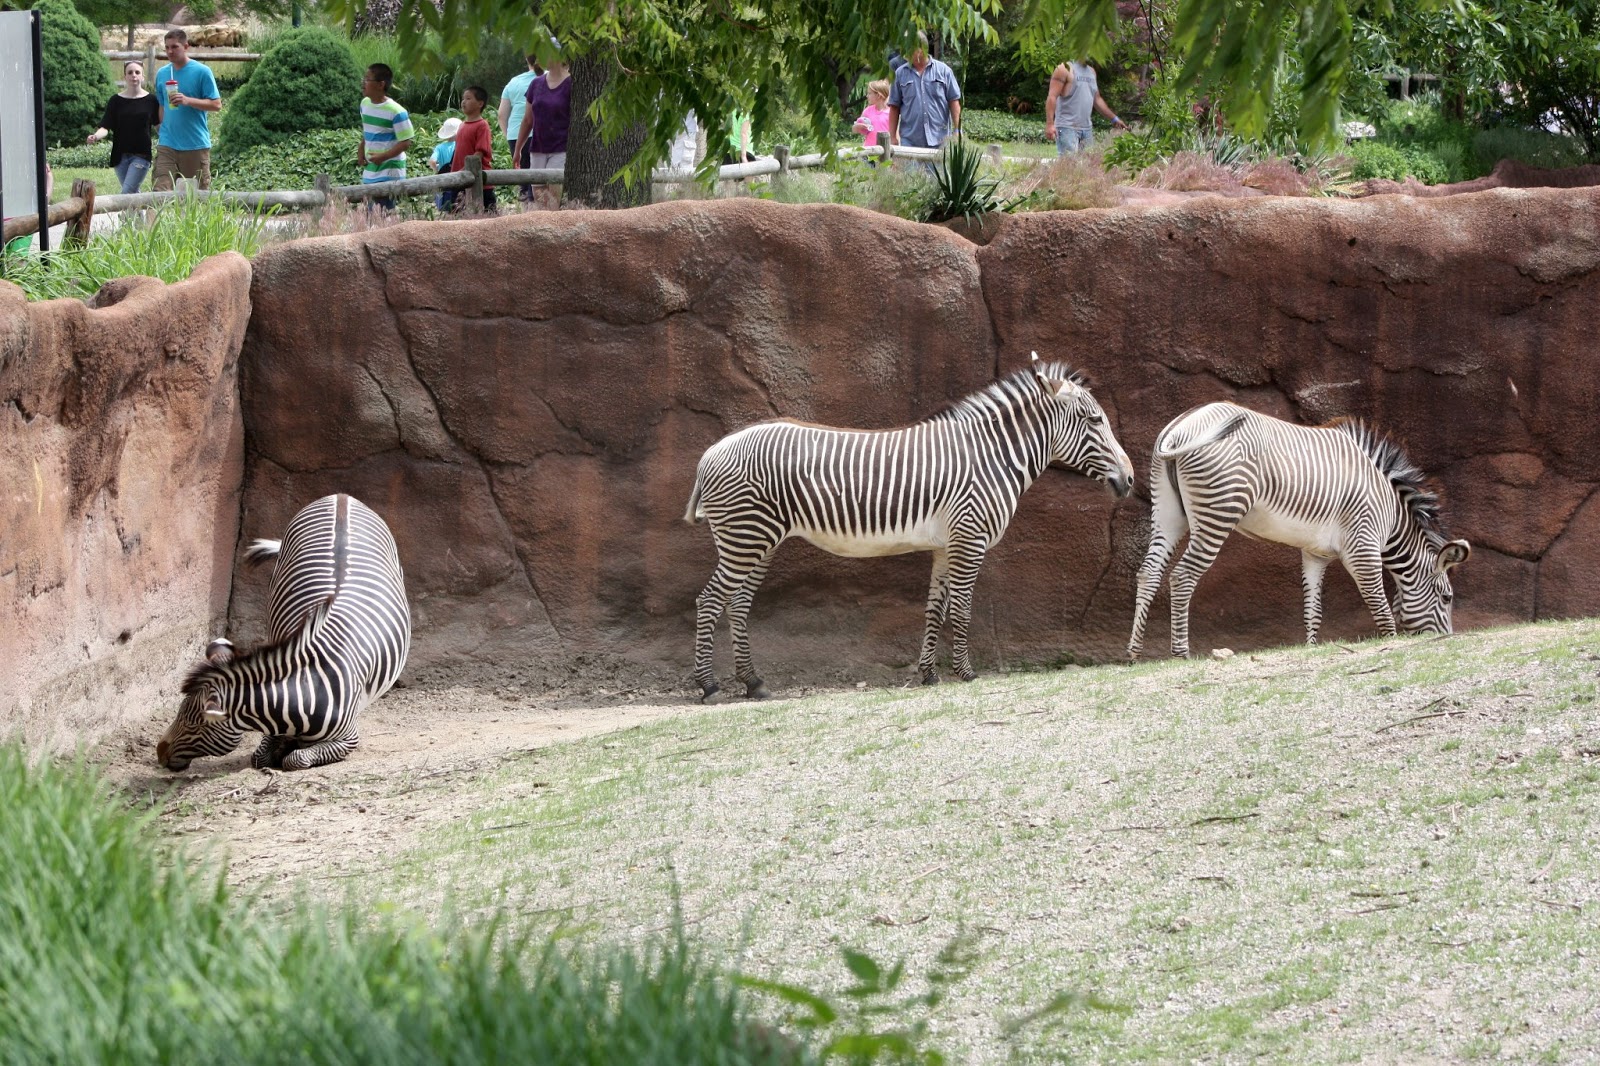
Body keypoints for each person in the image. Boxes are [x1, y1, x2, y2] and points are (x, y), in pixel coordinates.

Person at [151, 29, 220, 191]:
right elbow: (162, 105)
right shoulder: (162, 73)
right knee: (158, 193)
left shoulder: (202, 72)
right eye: (166, 47)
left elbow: (216, 105)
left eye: (174, 47)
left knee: (195, 197)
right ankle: (154, 218)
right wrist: (161, 128)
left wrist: (187, 100)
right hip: (167, 143)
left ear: (186, 46)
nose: (169, 51)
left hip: (195, 144)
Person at [87, 60, 161, 195]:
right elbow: (105, 126)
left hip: (141, 155)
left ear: (142, 76)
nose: (134, 75)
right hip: (120, 156)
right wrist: (96, 136)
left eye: (137, 72)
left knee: (127, 192)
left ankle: (125, 217)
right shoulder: (115, 101)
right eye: (130, 72)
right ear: (124, 77)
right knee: (132, 193)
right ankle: (138, 217)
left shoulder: (151, 100)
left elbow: (158, 126)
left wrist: (170, 139)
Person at [513, 53, 571, 209]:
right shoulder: (536, 84)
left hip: (561, 148)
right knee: (540, 202)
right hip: (537, 149)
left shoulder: (571, 83)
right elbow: (527, 120)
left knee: (553, 200)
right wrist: (518, 149)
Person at [887, 32, 961, 151]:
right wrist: (892, 137)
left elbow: (954, 102)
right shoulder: (900, 74)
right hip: (909, 142)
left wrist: (957, 130)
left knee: (939, 170)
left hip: (940, 140)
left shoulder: (944, 71)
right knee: (909, 171)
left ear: (922, 48)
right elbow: (894, 107)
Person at [358, 63, 416, 212]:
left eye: (367, 79)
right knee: (370, 215)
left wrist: (383, 156)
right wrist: (361, 148)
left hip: (390, 171)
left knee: (381, 216)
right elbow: (369, 130)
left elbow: (406, 142)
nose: (363, 82)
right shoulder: (365, 104)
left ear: (380, 84)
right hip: (371, 168)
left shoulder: (397, 111)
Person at [1045, 60, 1127, 156]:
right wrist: (1050, 124)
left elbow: (1097, 99)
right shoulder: (1064, 68)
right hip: (1067, 127)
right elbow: (1052, 97)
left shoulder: (1091, 71)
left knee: (1087, 166)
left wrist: (1114, 119)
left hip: (1087, 128)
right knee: (1069, 166)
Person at [446, 85, 497, 214]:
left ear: (480, 103)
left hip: (479, 182)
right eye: (463, 98)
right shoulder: (462, 125)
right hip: (458, 179)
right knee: (458, 216)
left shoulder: (482, 125)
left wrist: (465, 171)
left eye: (468, 98)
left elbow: (479, 153)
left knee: (485, 216)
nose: (464, 101)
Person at [498, 53, 541, 202]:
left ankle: (524, 213)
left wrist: (508, 134)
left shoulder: (513, 82)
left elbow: (501, 114)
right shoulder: (549, 77)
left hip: (515, 134)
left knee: (524, 177)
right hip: (539, 132)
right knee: (539, 177)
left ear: (526, 59)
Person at [431, 117, 460, 212]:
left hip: (444, 179)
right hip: (459, 178)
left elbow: (432, 161)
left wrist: (436, 170)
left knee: (445, 208)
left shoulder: (439, 147)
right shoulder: (460, 145)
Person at [853, 79, 891, 149]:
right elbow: (854, 129)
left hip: (885, 151)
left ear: (879, 95)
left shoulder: (890, 113)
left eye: (870, 93)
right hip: (869, 150)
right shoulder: (867, 111)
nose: (867, 96)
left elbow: (895, 134)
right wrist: (858, 127)